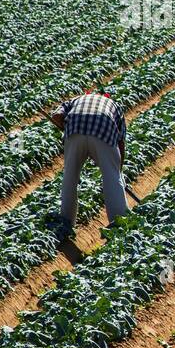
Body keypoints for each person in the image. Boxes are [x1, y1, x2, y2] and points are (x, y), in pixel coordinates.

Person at [49, 87, 128, 240]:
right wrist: (118, 169)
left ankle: (66, 221)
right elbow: (121, 142)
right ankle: (119, 222)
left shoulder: (76, 100)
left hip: (75, 126)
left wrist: (66, 128)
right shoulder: (113, 105)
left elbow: (56, 116)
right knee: (112, 178)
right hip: (103, 126)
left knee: (70, 176)